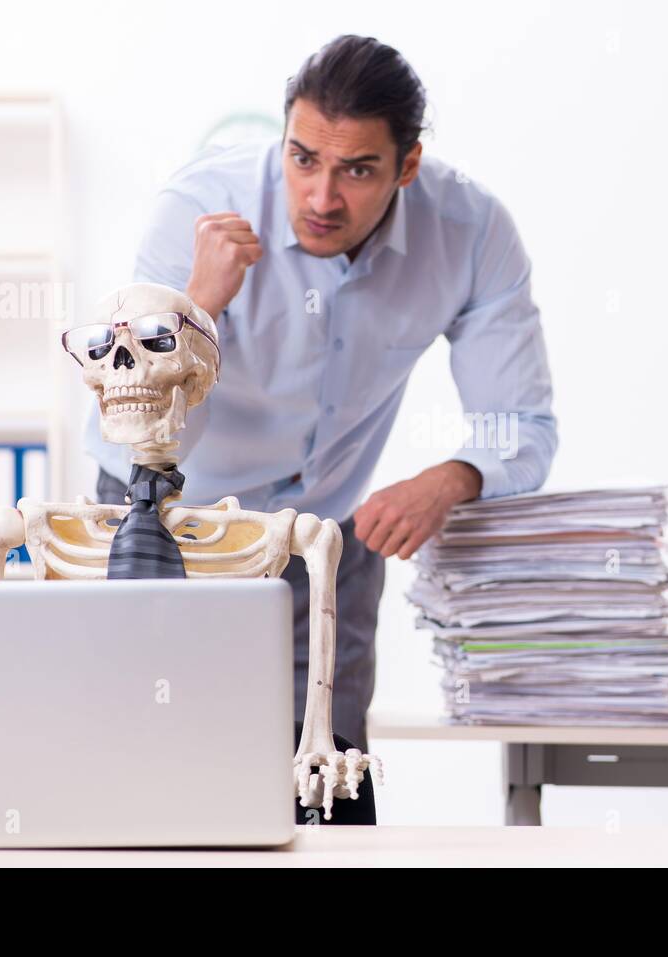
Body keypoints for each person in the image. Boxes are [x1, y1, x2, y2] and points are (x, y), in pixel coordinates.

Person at [85, 34, 558, 755]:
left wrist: (454, 478)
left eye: (358, 170)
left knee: (326, 779)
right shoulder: (199, 206)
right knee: (137, 755)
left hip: (325, 544)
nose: (321, 197)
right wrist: (198, 307)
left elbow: (520, 423)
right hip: (162, 518)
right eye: (303, 158)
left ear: (408, 166)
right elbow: (138, 425)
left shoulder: (471, 233)